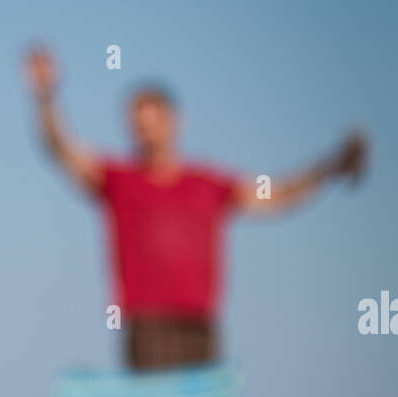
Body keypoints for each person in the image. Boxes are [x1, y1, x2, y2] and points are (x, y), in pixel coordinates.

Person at [22, 47, 368, 370]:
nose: (146, 131)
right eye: (138, 124)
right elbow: (61, 149)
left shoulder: (208, 185)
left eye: (153, 121)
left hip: (200, 328)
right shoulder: (118, 180)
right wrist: (45, 97)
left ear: (176, 121)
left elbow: (276, 195)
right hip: (147, 330)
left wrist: (330, 168)